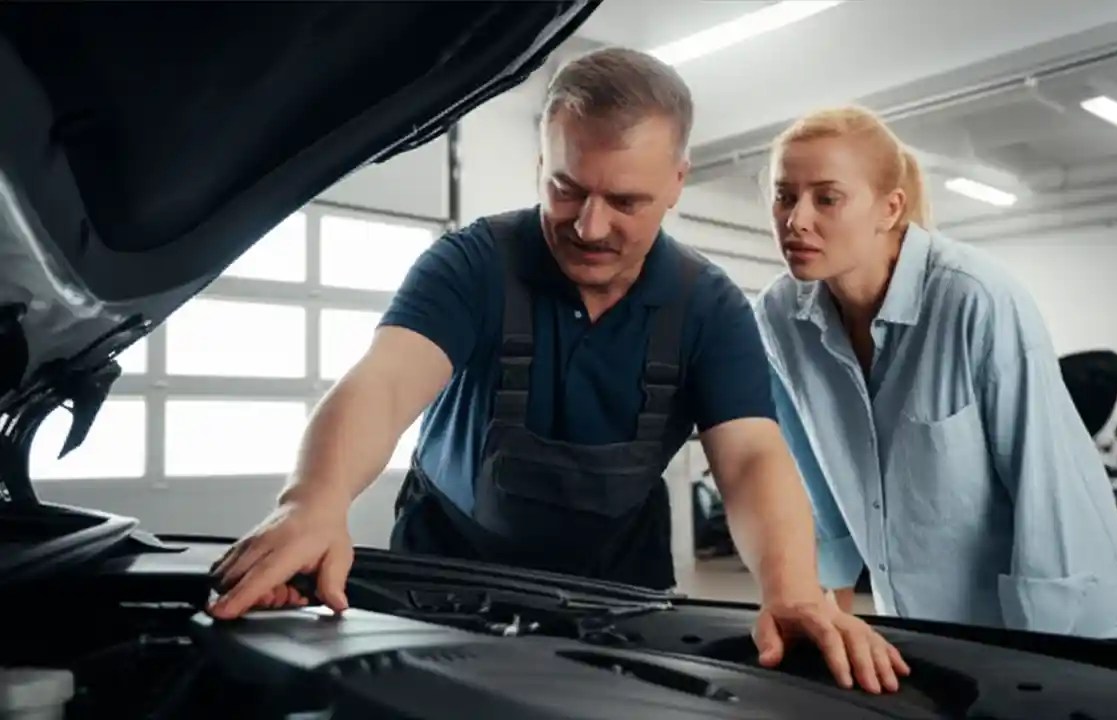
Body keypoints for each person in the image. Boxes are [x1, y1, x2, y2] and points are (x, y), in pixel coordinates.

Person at [207, 49, 911, 693]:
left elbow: (753, 454)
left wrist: (790, 588)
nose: (591, 227)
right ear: (540, 165)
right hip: (446, 585)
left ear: (676, 183)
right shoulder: (473, 265)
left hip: (621, 598)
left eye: (626, 202)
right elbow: (386, 380)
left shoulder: (711, 307)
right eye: (567, 188)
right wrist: (314, 499)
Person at [753, 106, 1117, 640]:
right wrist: (831, 602)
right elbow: (808, 466)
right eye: (784, 195)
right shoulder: (781, 313)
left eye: (826, 197)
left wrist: (1050, 652)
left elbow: (1045, 482)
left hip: (1058, 622)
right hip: (918, 621)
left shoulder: (972, 298)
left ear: (890, 209)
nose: (796, 218)